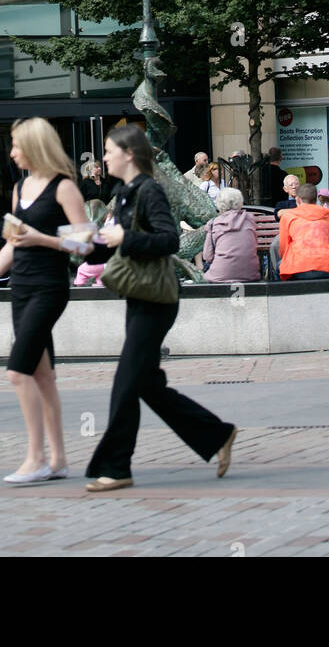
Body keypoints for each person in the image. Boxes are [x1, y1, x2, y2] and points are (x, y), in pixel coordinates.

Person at [82, 125, 236, 491]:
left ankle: (116, 467)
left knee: (125, 382)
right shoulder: (123, 192)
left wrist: (126, 238)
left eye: (108, 151)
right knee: (147, 385)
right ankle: (217, 435)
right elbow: (109, 245)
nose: (103, 158)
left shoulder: (150, 190)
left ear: (129, 154)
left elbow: (168, 239)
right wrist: (82, 242)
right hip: (138, 296)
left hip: (157, 299)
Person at [0, 117, 91, 484]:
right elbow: (12, 243)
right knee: (43, 375)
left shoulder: (64, 188)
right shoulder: (18, 189)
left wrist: (42, 239)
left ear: (34, 146)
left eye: (16, 145)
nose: (11, 152)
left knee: (18, 373)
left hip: (50, 286)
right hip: (21, 286)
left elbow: (85, 245)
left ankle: (36, 458)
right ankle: (59, 460)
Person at [279, 181, 329, 324]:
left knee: (278, 267)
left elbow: (284, 248)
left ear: (298, 199)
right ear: (316, 199)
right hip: (326, 267)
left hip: (297, 268)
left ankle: (285, 312)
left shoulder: (288, 216)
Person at [202, 188, 260, 283]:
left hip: (221, 274)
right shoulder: (249, 219)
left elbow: (207, 256)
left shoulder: (214, 223)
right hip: (250, 274)